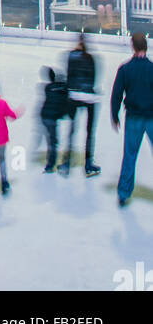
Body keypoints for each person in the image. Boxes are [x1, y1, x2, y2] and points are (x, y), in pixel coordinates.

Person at [110, 31, 153, 207]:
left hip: (134, 117)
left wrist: (115, 115)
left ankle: (123, 193)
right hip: (151, 116)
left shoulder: (125, 69)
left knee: (129, 155)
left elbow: (117, 94)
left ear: (132, 47)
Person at [63, 35, 101, 177]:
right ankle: (88, 164)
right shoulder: (90, 58)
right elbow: (93, 78)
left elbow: (69, 75)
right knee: (89, 132)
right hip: (89, 96)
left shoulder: (71, 56)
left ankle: (67, 163)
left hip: (74, 95)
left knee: (72, 130)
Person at [39, 66, 70, 173]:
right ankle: (50, 164)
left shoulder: (48, 88)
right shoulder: (64, 90)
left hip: (44, 116)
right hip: (52, 118)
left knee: (51, 141)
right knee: (53, 142)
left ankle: (50, 163)